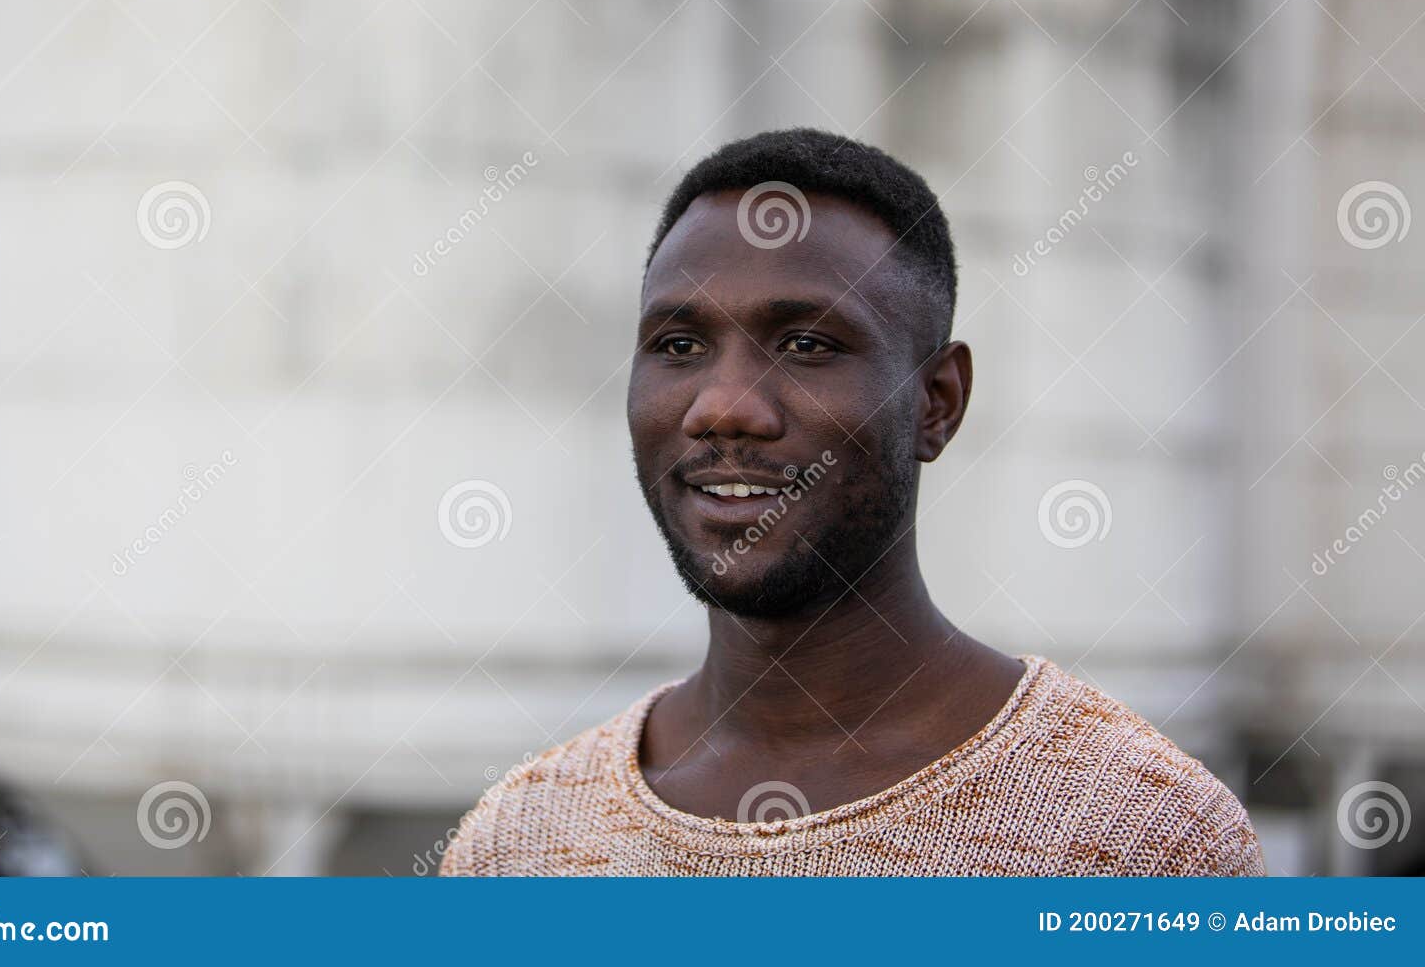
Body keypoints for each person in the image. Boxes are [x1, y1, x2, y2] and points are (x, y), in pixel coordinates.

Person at [440, 128, 1265, 876]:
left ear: (937, 402)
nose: (723, 406)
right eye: (679, 346)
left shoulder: (1141, 836)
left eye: (807, 344)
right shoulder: (520, 843)